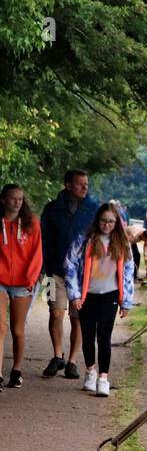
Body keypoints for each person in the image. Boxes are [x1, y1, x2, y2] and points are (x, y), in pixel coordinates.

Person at [65, 203, 134, 398]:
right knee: (88, 335)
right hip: (88, 295)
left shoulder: (122, 243)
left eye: (111, 222)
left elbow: (128, 273)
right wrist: (75, 295)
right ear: (97, 220)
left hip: (110, 295)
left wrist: (126, 301)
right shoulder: (84, 240)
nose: (107, 225)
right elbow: (70, 266)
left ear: (117, 223)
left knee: (104, 337)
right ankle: (90, 371)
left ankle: (103, 378)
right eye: (103, 221)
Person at [40, 169, 98, 380]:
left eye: (87, 184)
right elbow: (43, 241)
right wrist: (41, 270)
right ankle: (58, 356)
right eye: (80, 183)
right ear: (68, 185)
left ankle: (73, 361)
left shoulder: (94, 210)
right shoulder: (51, 210)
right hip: (53, 272)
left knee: (78, 319)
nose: (85, 187)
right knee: (55, 313)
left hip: (82, 276)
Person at [0, 184, 43, 388]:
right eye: (13, 198)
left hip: (22, 283)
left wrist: (31, 279)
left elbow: (37, 253)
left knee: (17, 329)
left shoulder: (31, 223)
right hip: (0, 281)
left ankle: (16, 370)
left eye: (20, 199)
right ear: (4, 200)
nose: (17, 202)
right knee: (0, 327)